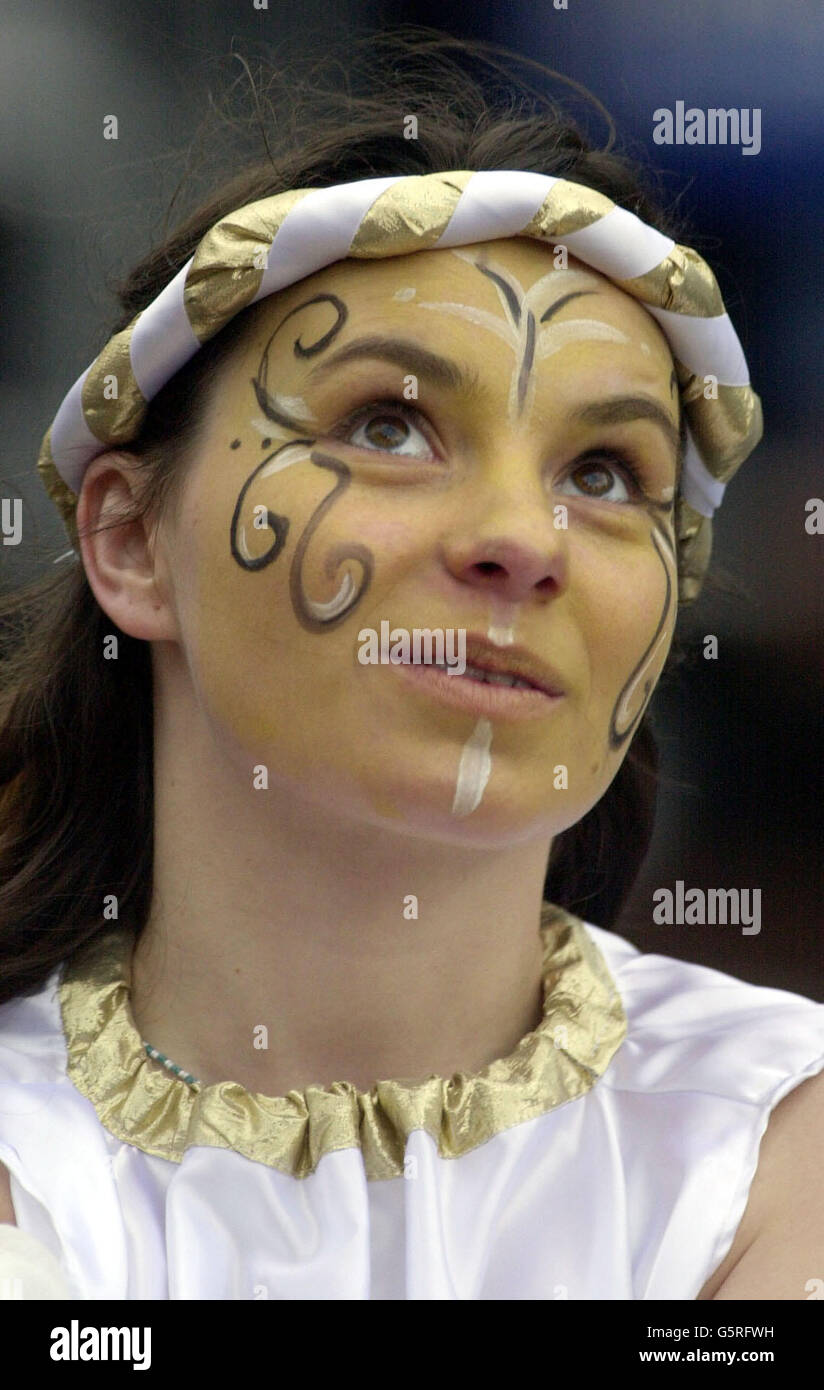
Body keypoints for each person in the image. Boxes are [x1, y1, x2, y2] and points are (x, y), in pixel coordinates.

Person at [0, 36, 822, 1301]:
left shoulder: (776, 1143)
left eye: (603, 473)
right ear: (127, 541)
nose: (516, 542)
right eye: (388, 425)